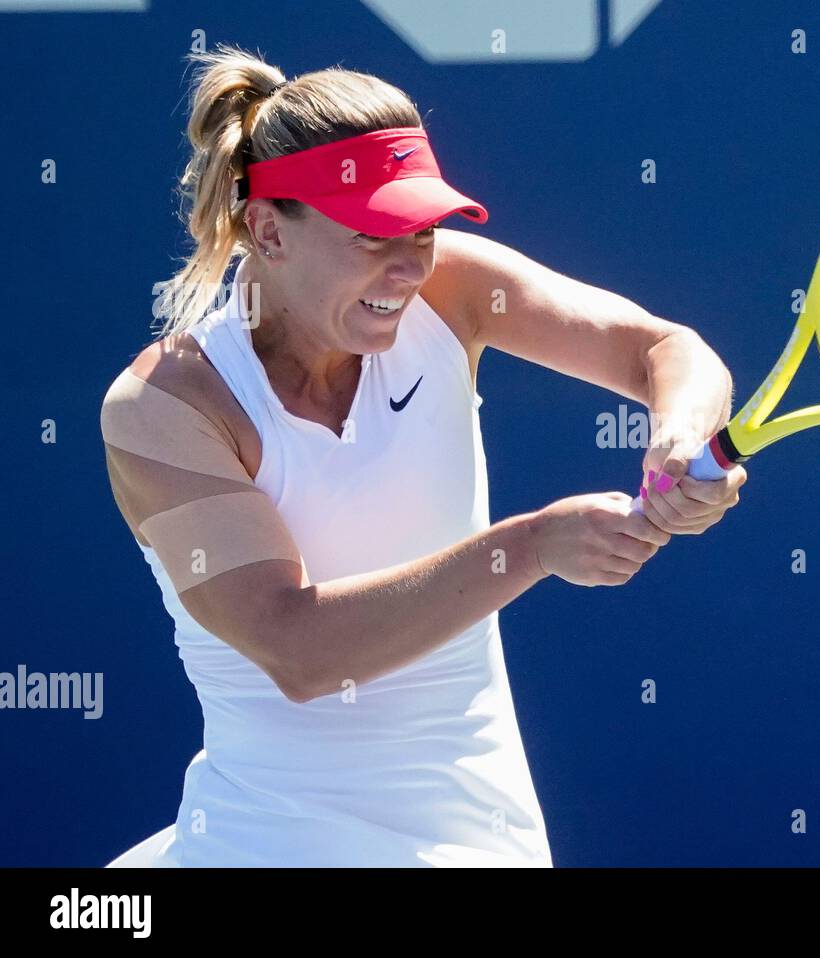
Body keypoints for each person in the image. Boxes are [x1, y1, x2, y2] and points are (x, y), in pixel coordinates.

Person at [101, 45, 744, 867]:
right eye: (372, 235)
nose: (408, 267)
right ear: (268, 230)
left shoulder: (453, 293)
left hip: (482, 840)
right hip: (256, 847)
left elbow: (662, 348)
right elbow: (298, 649)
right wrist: (535, 544)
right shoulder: (165, 407)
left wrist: (681, 436)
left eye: (424, 229)